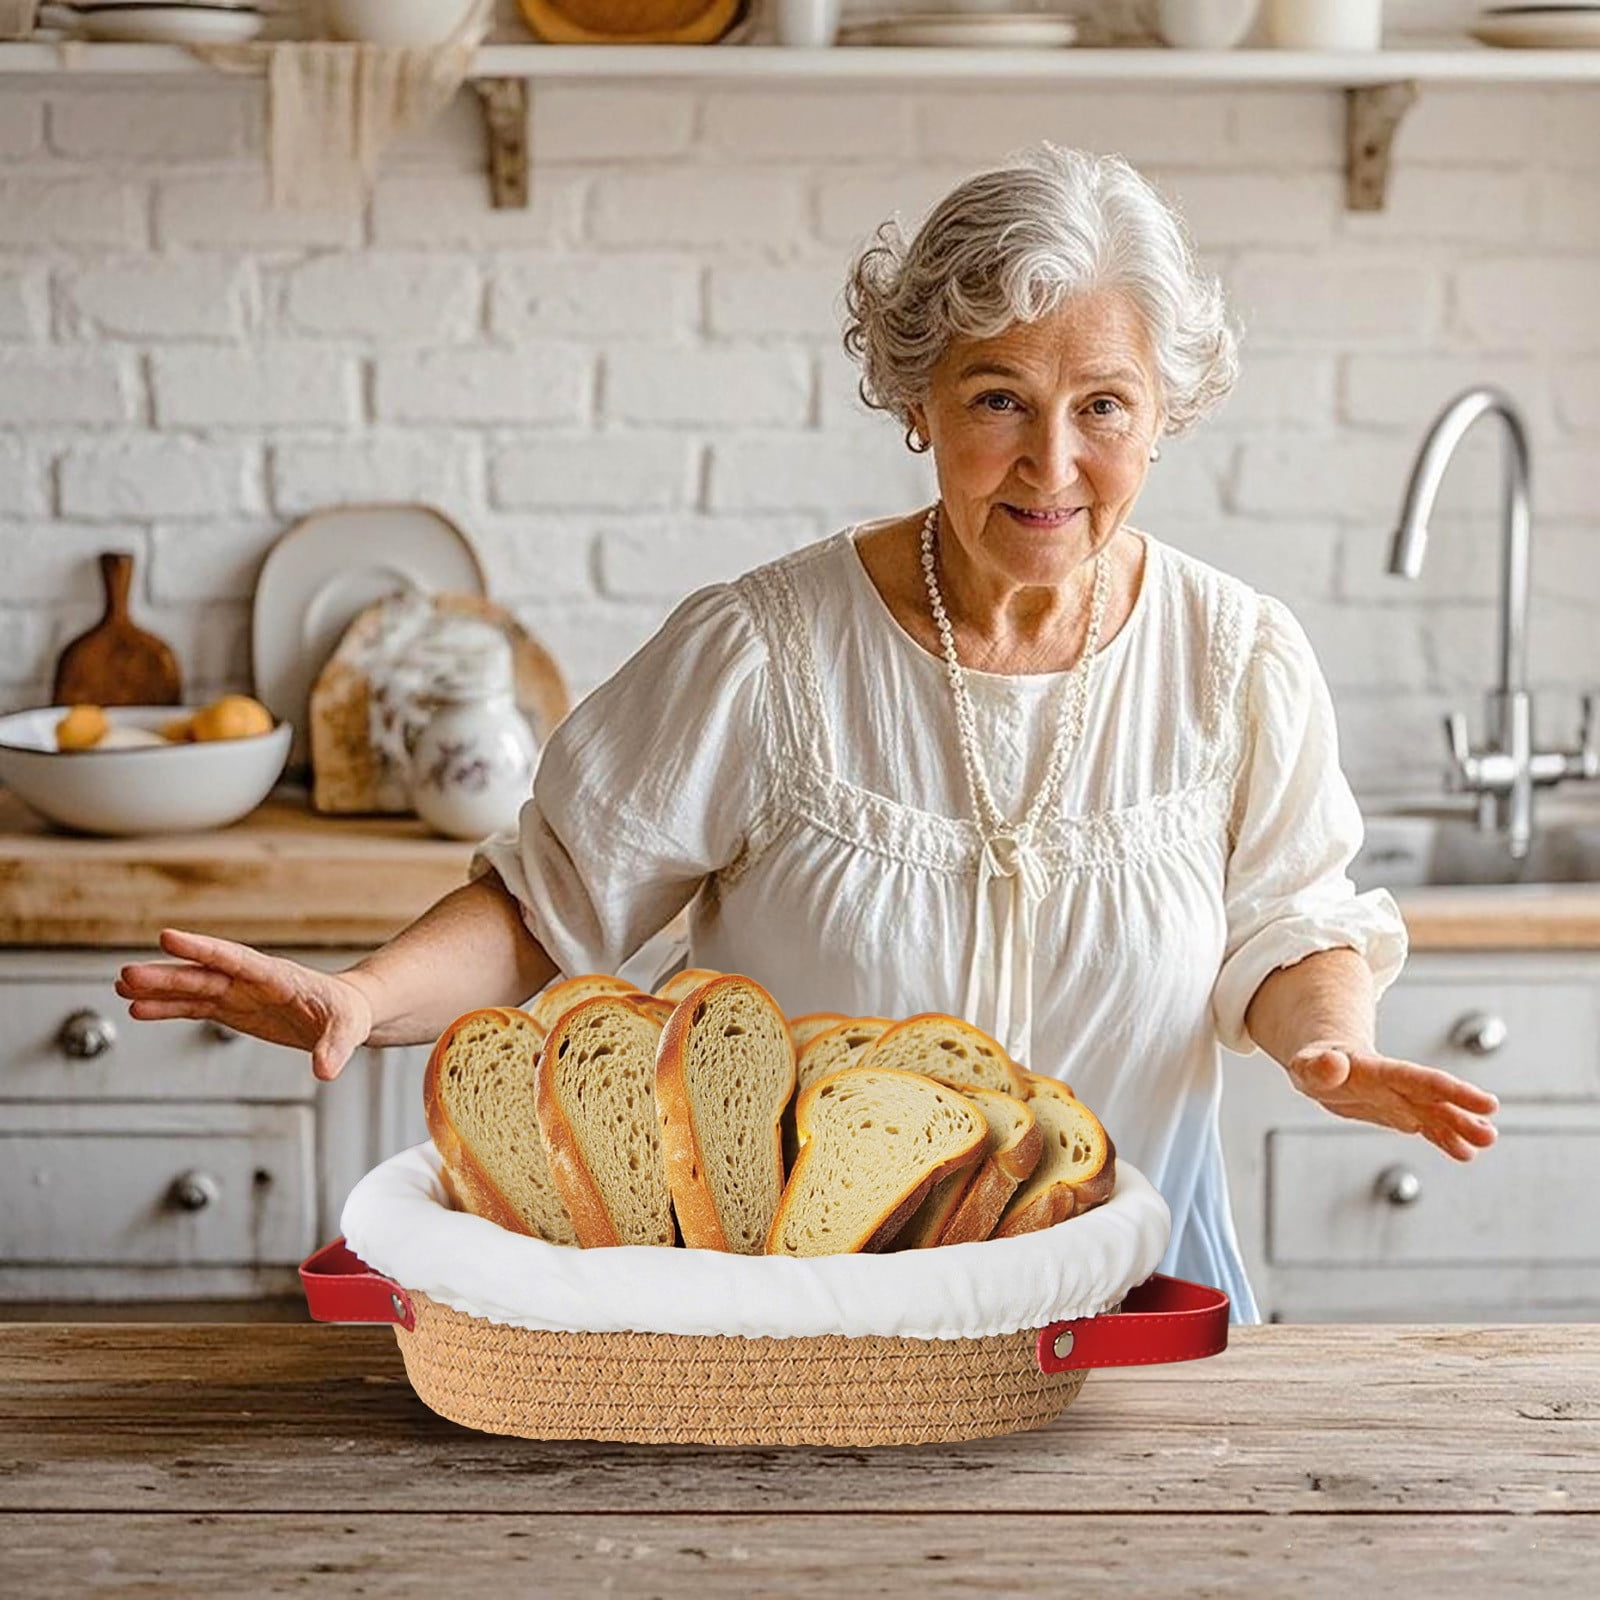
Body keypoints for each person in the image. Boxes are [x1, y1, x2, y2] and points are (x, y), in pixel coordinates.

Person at [116, 144, 1498, 1322]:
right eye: (998, 397)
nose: (1052, 463)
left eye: (1103, 408)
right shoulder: (762, 653)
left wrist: (1329, 1044)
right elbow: (550, 906)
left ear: (1165, 414)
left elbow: (1289, 924)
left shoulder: (1236, 659)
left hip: (1135, 1327)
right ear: (918, 403)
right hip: (808, 1336)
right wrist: (362, 997)